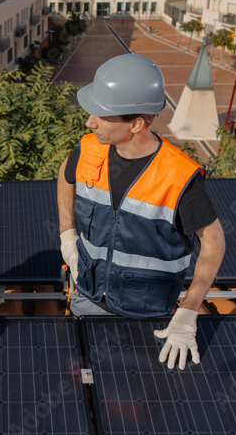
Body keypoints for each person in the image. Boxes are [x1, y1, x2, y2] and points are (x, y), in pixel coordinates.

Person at [56, 54, 226, 370]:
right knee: (83, 386)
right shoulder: (89, 147)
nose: (89, 122)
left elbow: (214, 242)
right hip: (88, 297)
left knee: (141, 400)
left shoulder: (179, 177)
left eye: (101, 116)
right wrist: (68, 235)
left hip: (149, 315)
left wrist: (189, 311)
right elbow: (65, 174)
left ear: (135, 123)